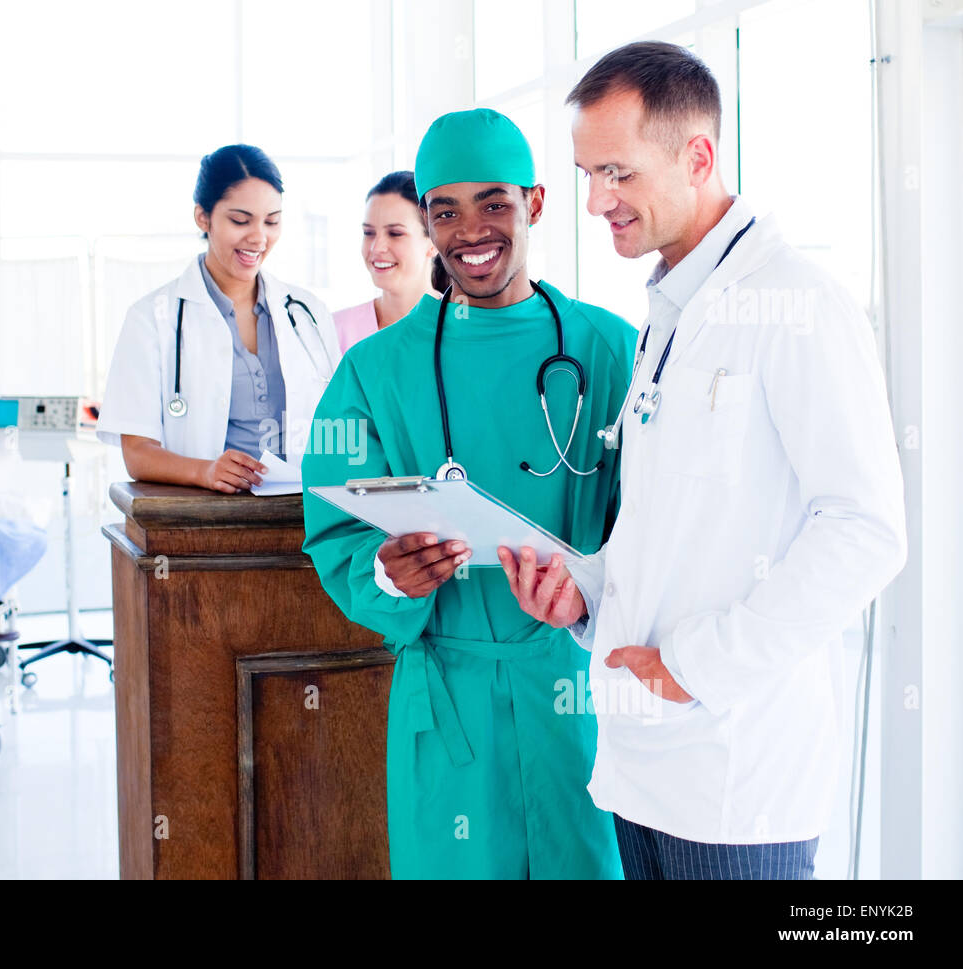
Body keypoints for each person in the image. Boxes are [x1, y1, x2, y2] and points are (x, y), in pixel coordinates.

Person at [500, 41, 907, 879]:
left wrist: (695, 669)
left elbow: (866, 530)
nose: (594, 201)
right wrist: (586, 589)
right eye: (585, 174)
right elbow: (674, 528)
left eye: (617, 173)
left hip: (735, 779)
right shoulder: (669, 313)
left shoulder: (796, 305)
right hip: (644, 769)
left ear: (698, 156)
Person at [302, 108, 636, 879]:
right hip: (447, 707)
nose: (471, 230)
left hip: (578, 695)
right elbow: (333, 528)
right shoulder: (373, 371)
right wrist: (388, 572)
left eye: (494, 203)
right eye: (445, 210)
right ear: (425, 222)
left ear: (537, 204)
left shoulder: (611, 349)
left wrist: (593, 585)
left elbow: (662, 518)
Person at [97, 144, 341, 493]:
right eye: (240, 220)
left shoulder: (307, 312)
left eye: (271, 221)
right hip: (205, 517)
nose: (258, 237)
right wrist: (205, 471)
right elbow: (137, 454)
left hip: (300, 515)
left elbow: (335, 427)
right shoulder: (152, 318)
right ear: (203, 217)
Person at [333, 171, 438, 352]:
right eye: (368, 233)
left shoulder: (462, 325)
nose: (376, 247)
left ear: (434, 243)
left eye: (395, 233)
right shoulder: (335, 330)